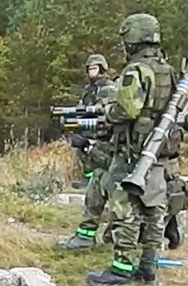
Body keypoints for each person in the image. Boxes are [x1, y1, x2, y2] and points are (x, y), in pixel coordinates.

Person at [86, 13, 178, 286]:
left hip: (134, 150)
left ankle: (121, 267)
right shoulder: (166, 69)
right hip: (159, 149)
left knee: (123, 207)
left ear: (133, 38)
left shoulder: (136, 71)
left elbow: (127, 109)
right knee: (154, 209)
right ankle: (148, 267)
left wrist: (107, 113)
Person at [61, 53, 117, 250]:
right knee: (83, 151)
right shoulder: (89, 88)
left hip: (102, 133)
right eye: (89, 69)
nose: (91, 72)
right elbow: (83, 106)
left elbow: (105, 112)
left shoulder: (108, 88)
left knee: (94, 155)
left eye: (94, 68)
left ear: (102, 68)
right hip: (90, 126)